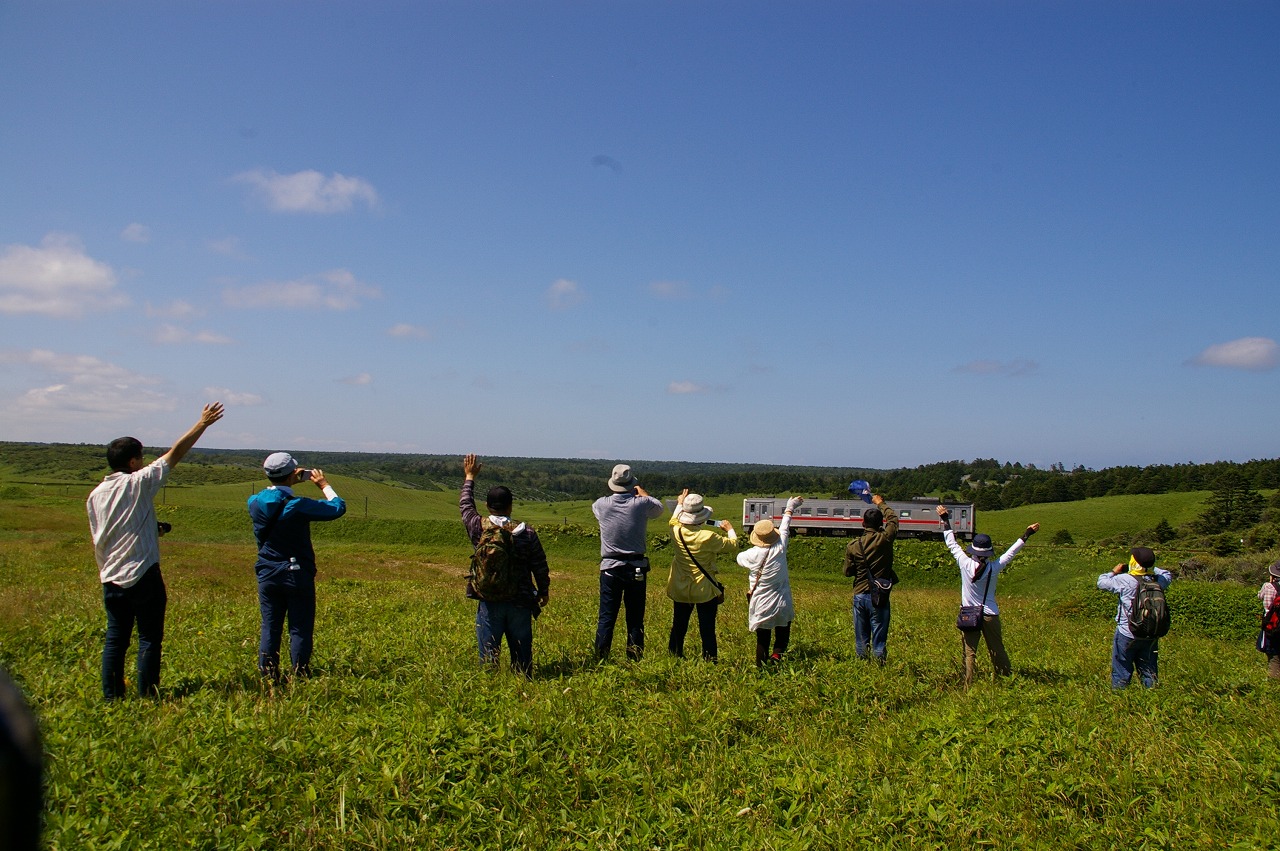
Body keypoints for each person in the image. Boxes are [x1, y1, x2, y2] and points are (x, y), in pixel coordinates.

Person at [87, 402, 224, 699]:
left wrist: (151, 528)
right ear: (134, 462)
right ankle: (148, 694)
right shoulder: (139, 482)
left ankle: (111, 697)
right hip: (143, 570)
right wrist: (202, 424)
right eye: (141, 457)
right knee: (149, 638)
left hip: (110, 574)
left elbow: (106, 531)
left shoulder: (95, 494)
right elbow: (175, 453)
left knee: (115, 638)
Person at [247, 453, 346, 681]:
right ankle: (300, 674)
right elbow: (337, 507)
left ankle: (268, 676)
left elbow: (273, 495)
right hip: (296, 573)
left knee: (270, 626)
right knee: (299, 627)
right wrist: (323, 484)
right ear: (293, 473)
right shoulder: (297, 506)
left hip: (267, 572)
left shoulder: (254, 502)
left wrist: (288, 480)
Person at [459, 454, 550, 676]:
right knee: (522, 658)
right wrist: (544, 590)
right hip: (520, 599)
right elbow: (539, 565)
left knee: (488, 657)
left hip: (489, 600)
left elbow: (465, 506)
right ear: (510, 507)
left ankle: (490, 686)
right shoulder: (526, 532)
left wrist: (469, 477)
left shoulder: (479, 528)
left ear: (488, 506)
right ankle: (522, 683)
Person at [936, 505, 1039, 686]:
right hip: (990, 614)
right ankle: (1006, 679)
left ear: (973, 550)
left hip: (968, 613)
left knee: (969, 652)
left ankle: (967, 683)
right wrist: (1027, 534)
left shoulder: (964, 563)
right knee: (997, 649)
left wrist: (945, 519)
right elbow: (1011, 553)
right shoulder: (994, 567)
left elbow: (951, 543)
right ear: (989, 551)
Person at [592, 464, 665, 660]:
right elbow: (658, 508)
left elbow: (598, 512)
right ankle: (634, 657)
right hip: (636, 567)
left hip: (609, 567)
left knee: (606, 617)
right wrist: (641, 492)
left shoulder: (601, 504)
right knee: (635, 618)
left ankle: (601, 657)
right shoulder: (640, 504)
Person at [666, 490, 738, 661]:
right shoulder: (708, 536)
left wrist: (679, 503)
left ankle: (674, 654)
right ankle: (710, 658)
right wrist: (730, 529)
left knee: (679, 624)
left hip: (680, 585)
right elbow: (733, 545)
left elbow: (673, 520)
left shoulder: (675, 531)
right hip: (704, 588)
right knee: (707, 627)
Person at [738, 497, 803, 666]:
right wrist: (790, 507)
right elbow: (785, 527)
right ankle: (777, 657)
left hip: (761, 601)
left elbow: (738, 558)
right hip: (782, 600)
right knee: (783, 629)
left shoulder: (750, 555)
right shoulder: (780, 547)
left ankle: (761, 666)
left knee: (762, 637)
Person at [1097, 546, 1173, 689]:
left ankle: (1120, 697)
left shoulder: (1125, 580)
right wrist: (1151, 568)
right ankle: (1152, 696)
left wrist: (1114, 571)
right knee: (1149, 669)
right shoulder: (1159, 581)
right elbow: (1167, 574)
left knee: (1122, 668)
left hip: (1127, 632)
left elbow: (1101, 582)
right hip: (1151, 633)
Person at [842, 493, 899, 664]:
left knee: (861, 636)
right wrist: (881, 503)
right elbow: (894, 520)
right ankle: (880, 666)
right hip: (880, 595)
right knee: (879, 636)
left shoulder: (853, 546)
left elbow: (847, 572)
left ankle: (861, 664)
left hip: (860, 594)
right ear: (881, 524)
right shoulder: (885, 539)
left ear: (863, 524)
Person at [1257, 560, 1280, 679]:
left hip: (1272, 624)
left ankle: (1274, 680)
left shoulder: (1269, 586)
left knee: (1273, 654)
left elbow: (1260, 596)